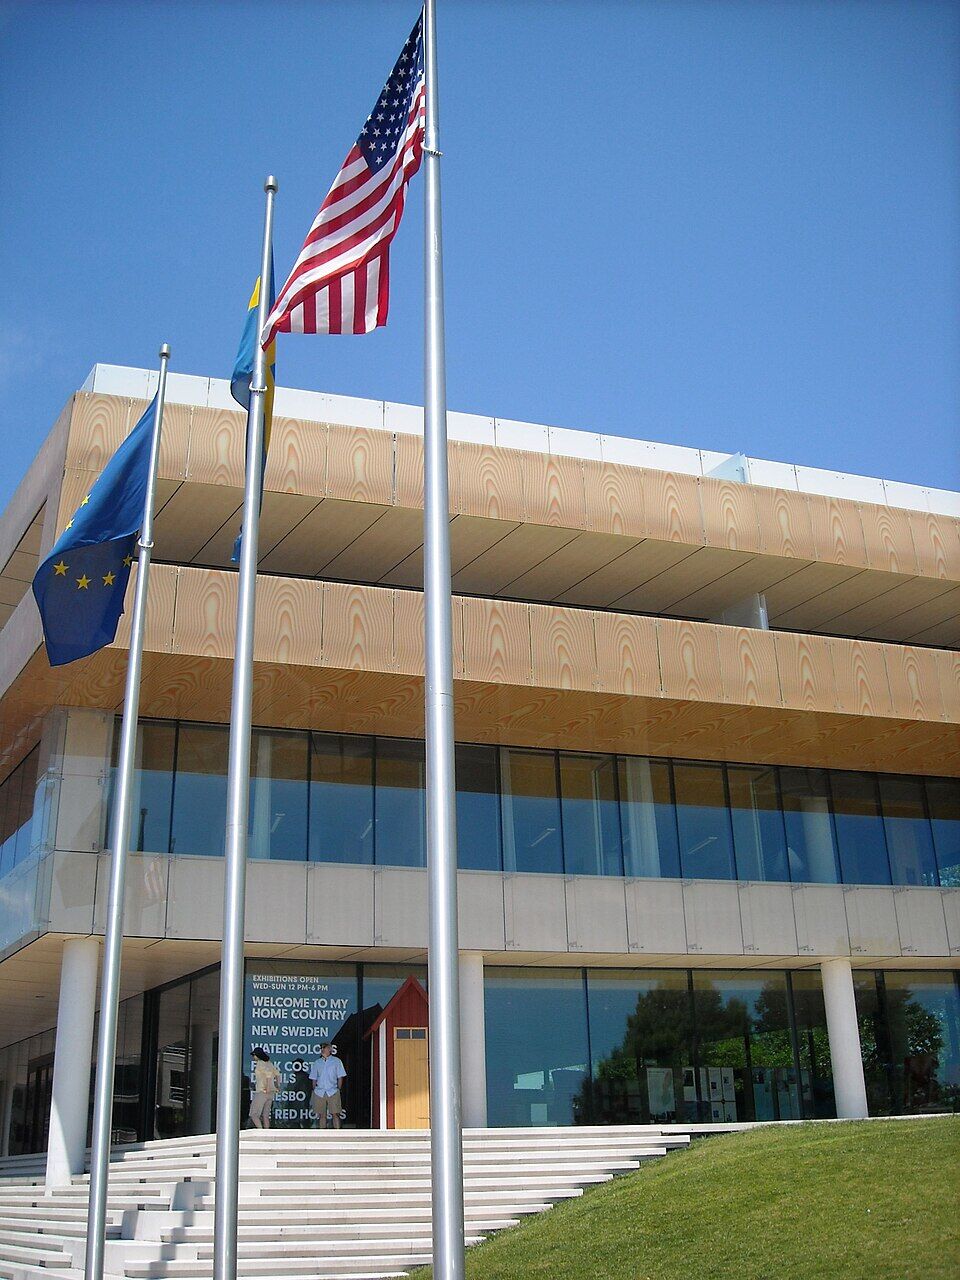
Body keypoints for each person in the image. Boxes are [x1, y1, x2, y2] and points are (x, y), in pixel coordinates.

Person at [308, 1043, 346, 1130]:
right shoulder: (317, 1062)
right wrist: (314, 1089)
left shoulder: (336, 1061)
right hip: (320, 1092)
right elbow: (314, 1078)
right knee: (322, 1115)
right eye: (321, 1048)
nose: (322, 1050)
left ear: (330, 1049)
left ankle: (337, 1133)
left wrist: (338, 1089)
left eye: (324, 1048)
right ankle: (323, 1134)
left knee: (335, 1114)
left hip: (333, 1091)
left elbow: (340, 1076)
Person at [248, 1048, 282, 1129]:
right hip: (271, 1093)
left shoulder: (260, 1063)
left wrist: (267, 1087)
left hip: (262, 1091)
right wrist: (277, 1086)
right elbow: (277, 1074)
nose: (253, 1057)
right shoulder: (269, 1063)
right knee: (265, 1115)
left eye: (254, 1055)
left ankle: (260, 1130)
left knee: (254, 1114)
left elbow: (268, 1075)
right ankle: (267, 1131)